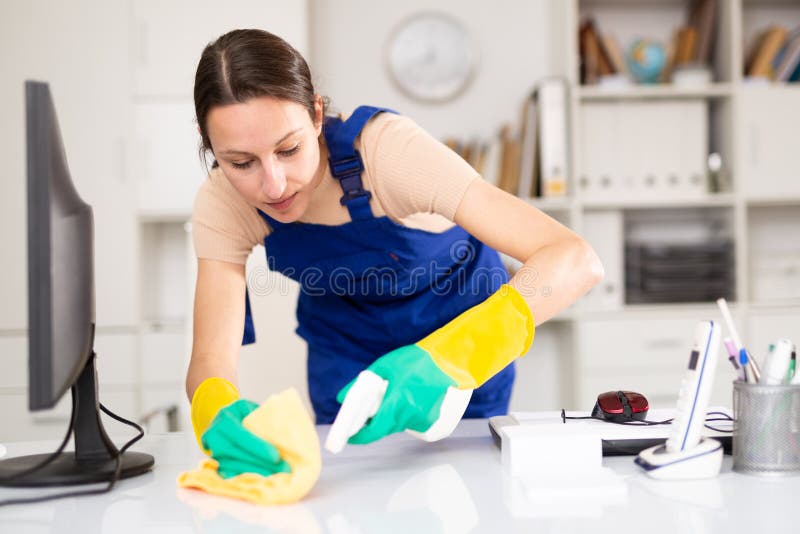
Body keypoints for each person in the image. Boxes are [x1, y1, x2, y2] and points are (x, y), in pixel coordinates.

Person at [186, 29, 603, 465]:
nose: (273, 185)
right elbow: (210, 358)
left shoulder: (388, 152)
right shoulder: (223, 202)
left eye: (288, 149)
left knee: (469, 481)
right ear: (208, 142)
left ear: (316, 115)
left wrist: (452, 357)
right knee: (351, 484)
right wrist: (215, 408)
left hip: (459, 341)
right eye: (241, 162)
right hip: (344, 352)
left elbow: (575, 259)